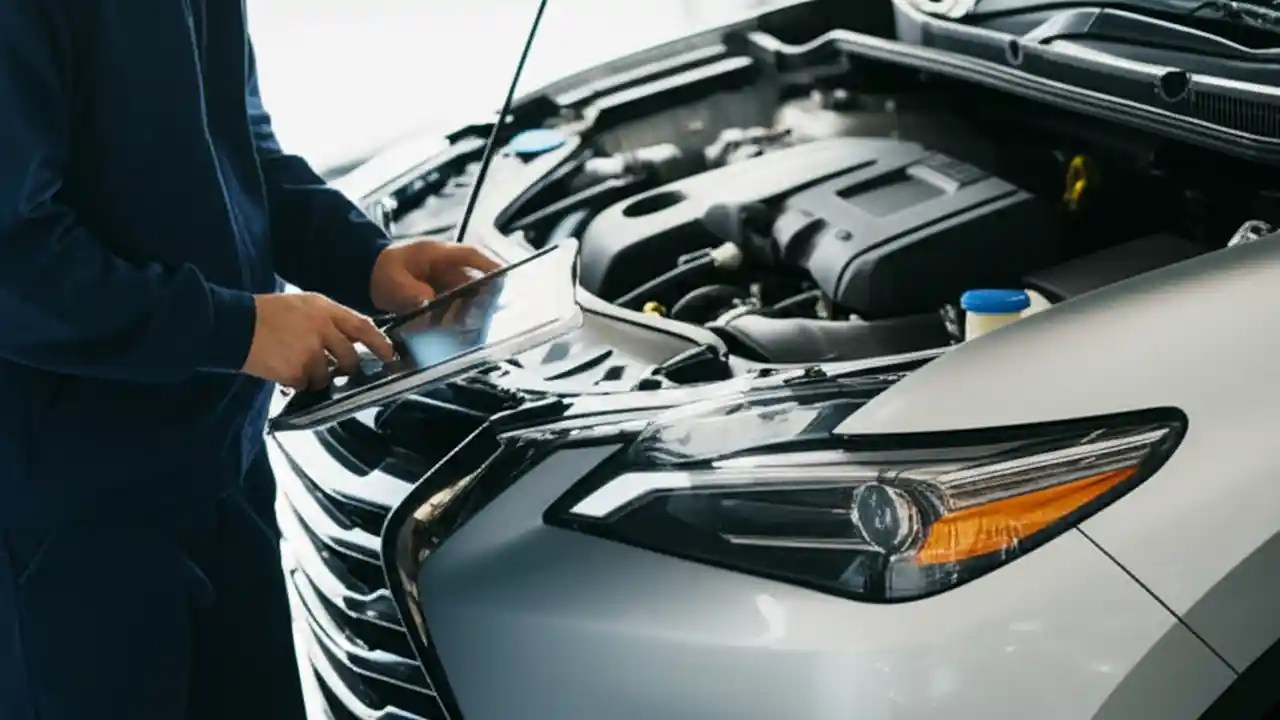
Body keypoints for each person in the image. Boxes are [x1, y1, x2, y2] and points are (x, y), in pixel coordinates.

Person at [0, 2, 501, 719]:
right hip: (74, 517)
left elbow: (238, 146)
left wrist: (366, 259)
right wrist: (233, 329)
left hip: (223, 469)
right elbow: (14, 259)